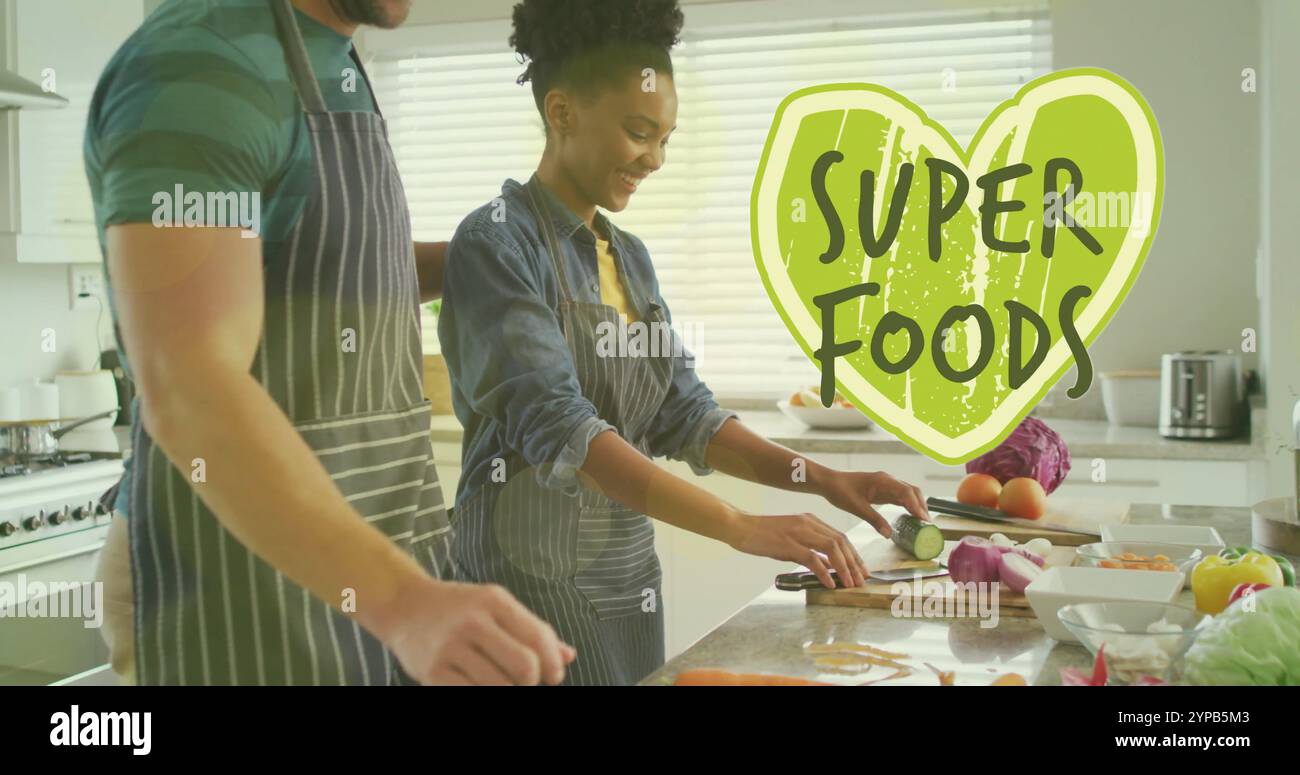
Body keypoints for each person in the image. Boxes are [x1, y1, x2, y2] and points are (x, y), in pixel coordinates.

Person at [440, 0, 931, 686]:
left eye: (667, 138)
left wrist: (822, 479)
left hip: (628, 585)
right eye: (640, 132)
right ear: (561, 113)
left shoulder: (629, 256)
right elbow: (564, 429)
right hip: (520, 596)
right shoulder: (495, 242)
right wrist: (738, 524)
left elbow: (686, 414)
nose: (656, 158)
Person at [86, 0, 572, 686]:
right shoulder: (203, 68)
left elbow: (330, 271)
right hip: (234, 587)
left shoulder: (335, 61)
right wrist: (408, 604)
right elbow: (191, 384)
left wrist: (491, 261)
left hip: (357, 561)